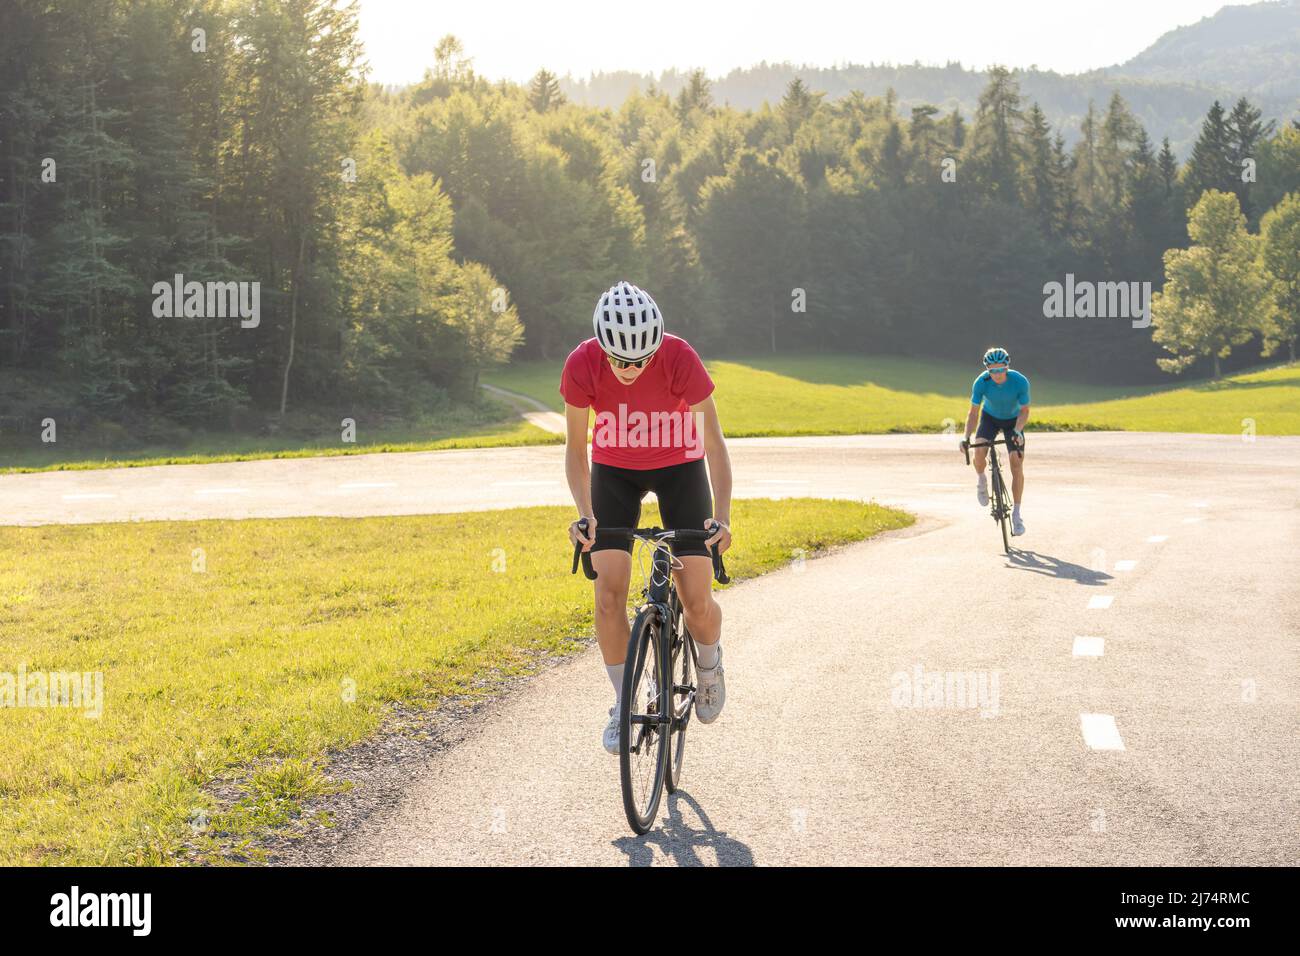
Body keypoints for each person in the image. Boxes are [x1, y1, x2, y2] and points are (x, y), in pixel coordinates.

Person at [561, 281, 734, 754]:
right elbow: (577, 451)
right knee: (607, 592)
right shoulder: (581, 365)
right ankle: (622, 702)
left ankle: (709, 662)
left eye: (640, 361)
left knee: (696, 599)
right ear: (602, 347)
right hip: (615, 472)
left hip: (681, 467)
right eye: (620, 361)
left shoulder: (680, 358)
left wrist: (722, 518)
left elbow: (715, 446)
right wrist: (584, 515)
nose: (631, 369)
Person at [962, 347, 1030, 536]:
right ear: (987, 370)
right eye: (993, 370)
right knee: (979, 451)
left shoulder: (1020, 381)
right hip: (990, 418)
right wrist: (966, 437)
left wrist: (1017, 430)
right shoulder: (981, 382)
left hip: (1013, 421)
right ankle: (982, 480)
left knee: (1016, 462)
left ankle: (1017, 516)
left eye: (1001, 369)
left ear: (1007, 367)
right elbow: (973, 413)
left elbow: (1025, 410)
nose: (997, 374)